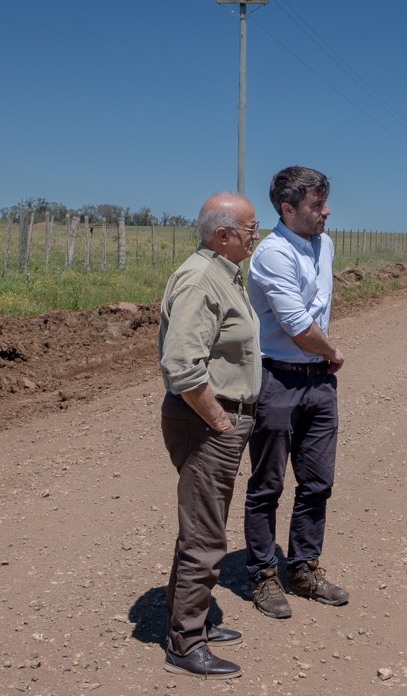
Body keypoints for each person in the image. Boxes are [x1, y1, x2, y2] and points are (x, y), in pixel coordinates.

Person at [158, 192, 262, 679]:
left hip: (214, 419)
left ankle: (190, 619)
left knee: (202, 526)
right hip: (204, 421)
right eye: (250, 228)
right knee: (205, 536)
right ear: (223, 235)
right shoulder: (202, 279)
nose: (256, 236)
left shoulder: (224, 274)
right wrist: (221, 422)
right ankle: (186, 643)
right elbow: (182, 365)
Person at [244, 165, 348, 619]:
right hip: (278, 379)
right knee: (268, 484)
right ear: (287, 209)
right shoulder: (272, 254)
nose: (326, 211)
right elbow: (298, 326)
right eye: (316, 205)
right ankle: (263, 575)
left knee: (318, 481)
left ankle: (304, 568)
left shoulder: (325, 245)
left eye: (324, 202)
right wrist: (332, 352)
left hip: (318, 381)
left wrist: (323, 360)